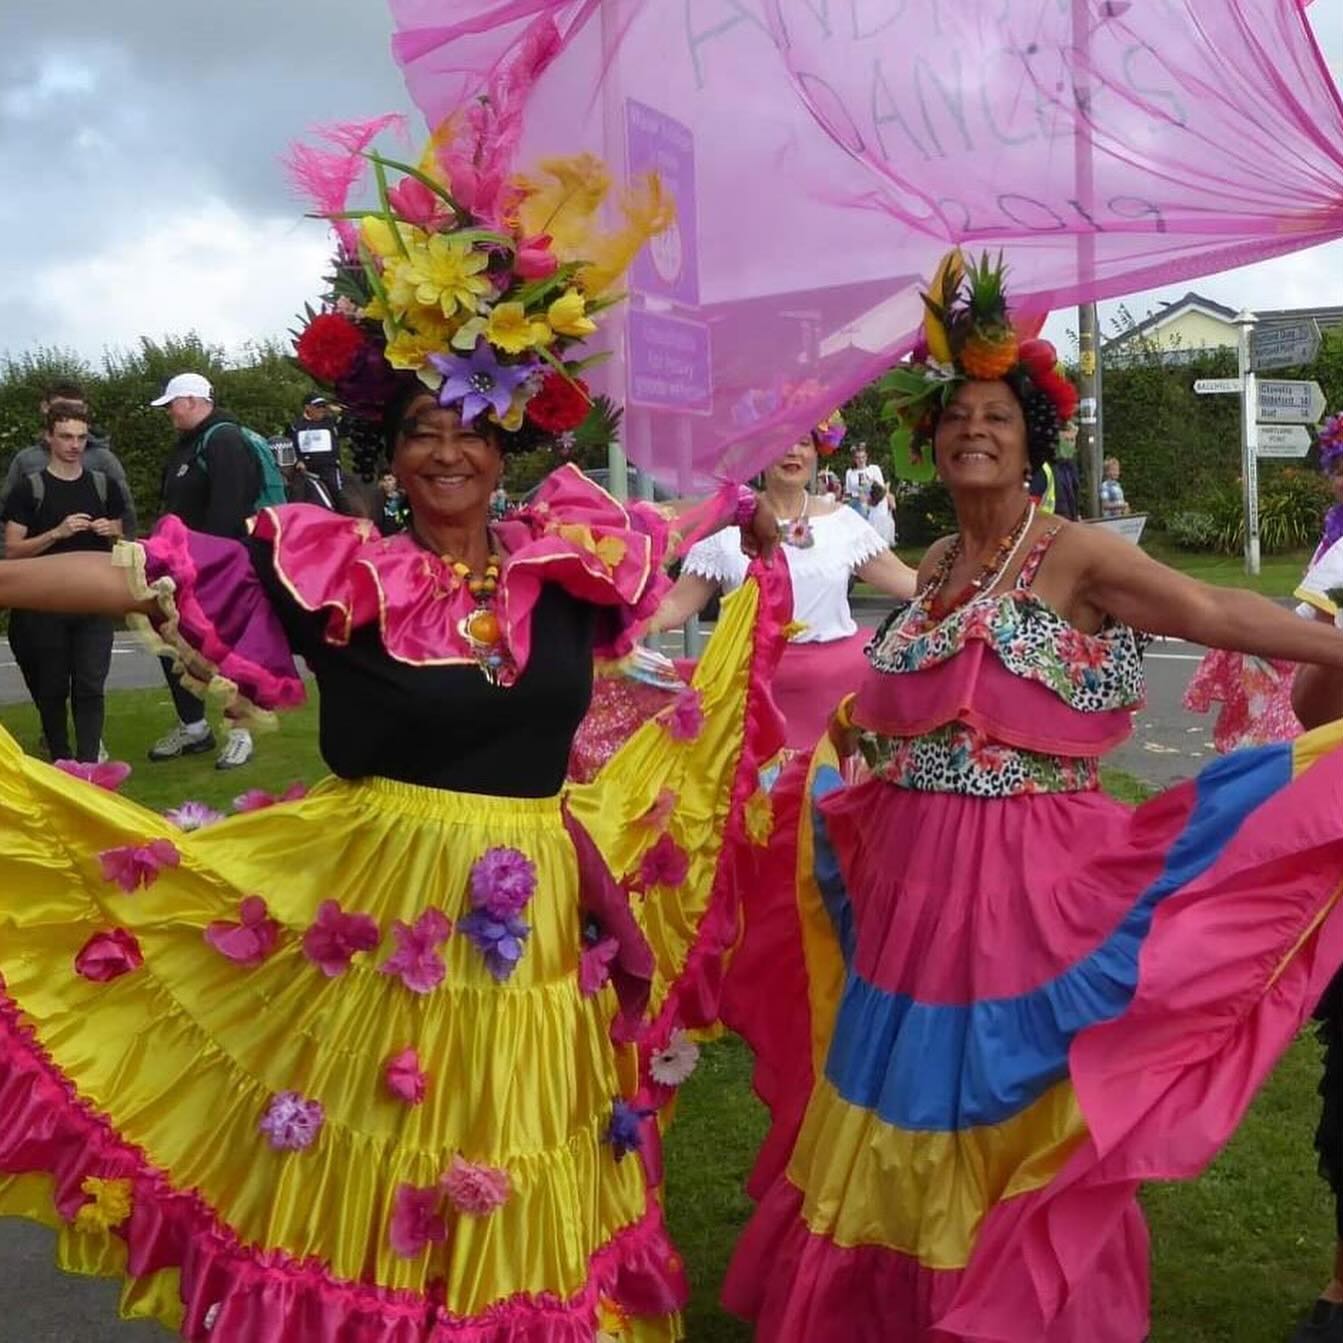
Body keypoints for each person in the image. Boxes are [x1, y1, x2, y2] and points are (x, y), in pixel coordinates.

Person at [0, 118, 787, 1341]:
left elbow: (687, 529)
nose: (444, 448)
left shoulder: (568, 567)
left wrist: (759, 511)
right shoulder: (336, 575)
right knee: (376, 1163)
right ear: (390, 452)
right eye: (419, 429)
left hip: (525, 938)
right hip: (376, 925)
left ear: (505, 439)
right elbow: (131, 577)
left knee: (503, 1161)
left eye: (467, 426)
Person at [721, 252, 1343, 1342]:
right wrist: (837, 748)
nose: (973, 429)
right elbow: (889, 703)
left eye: (996, 415)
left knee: (999, 1107)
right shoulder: (936, 561)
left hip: (1026, 888)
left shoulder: (1074, 555)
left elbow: (1211, 609)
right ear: (928, 439)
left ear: (1030, 437)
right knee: (897, 1100)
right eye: (955, 414)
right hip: (910, 889)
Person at [650, 419, 916, 751]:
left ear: (817, 450)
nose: (792, 451)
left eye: (803, 442)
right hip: (749, 700)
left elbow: (910, 582)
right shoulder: (728, 528)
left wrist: (979, 574)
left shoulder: (843, 523)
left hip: (829, 701)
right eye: (779, 443)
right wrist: (617, 621)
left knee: (822, 795)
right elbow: (675, 606)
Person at [1, 401, 126, 762]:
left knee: (90, 686)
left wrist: (112, 531)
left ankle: (89, 765)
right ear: (49, 438)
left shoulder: (105, 486)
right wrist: (56, 533)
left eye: (82, 437)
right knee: (51, 689)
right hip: (44, 605)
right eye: (66, 437)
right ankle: (60, 758)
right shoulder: (30, 489)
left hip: (93, 604)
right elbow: (12, 552)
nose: (74, 445)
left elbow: (125, 542)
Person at [148, 371, 261, 770]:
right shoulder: (188, 445)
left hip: (218, 568)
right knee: (168, 642)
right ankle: (193, 728)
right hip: (180, 568)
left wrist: (208, 566)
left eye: (172, 404)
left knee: (227, 652)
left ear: (193, 401)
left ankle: (241, 733)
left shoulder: (225, 440)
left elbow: (229, 509)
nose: (169, 413)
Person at [0, 380, 138, 548]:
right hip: (40, 568)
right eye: (61, 408)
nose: (74, 445)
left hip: (95, 567)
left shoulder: (104, 461)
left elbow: (125, 518)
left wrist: (118, 535)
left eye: (81, 438)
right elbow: (6, 516)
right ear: (45, 408)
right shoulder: (26, 460)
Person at [290, 393, 346, 504]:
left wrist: (342, 413)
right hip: (305, 468)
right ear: (307, 407)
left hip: (329, 467)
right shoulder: (296, 425)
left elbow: (346, 430)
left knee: (337, 492)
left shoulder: (331, 422)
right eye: (318, 406)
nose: (322, 410)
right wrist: (298, 460)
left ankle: (343, 516)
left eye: (323, 406)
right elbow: (291, 445)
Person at [842, 441, 885, 518]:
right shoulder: (850, 472)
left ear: (866, 457)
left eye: (863, 457)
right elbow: (848, 492)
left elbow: (881, 489)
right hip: (856, 502)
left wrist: (871, 483)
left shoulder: (874, 469)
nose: (861, 460)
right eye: (858, 458)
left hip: (873, 503)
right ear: (854, 459)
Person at [376, 467, 409, 535]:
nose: (387, 483)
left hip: (401, 536)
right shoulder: (379, 500)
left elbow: (408, 519)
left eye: (390, 479)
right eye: (384, 480)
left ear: (395, 480)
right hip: (384, 537)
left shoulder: (403, 498)